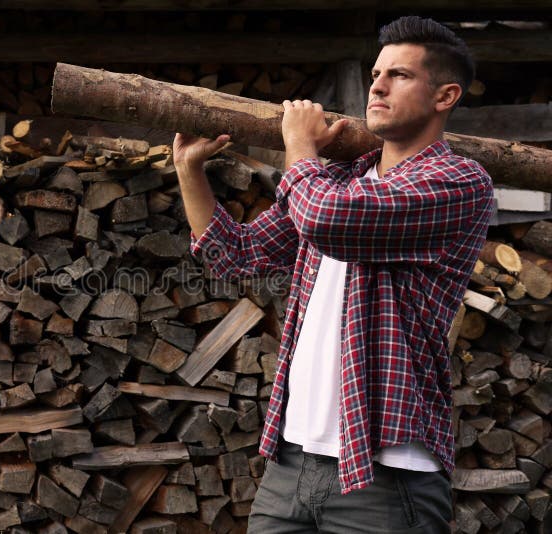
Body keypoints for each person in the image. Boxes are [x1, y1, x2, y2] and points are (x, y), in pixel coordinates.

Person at [173, 16, 494, 533]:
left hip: (387, 478)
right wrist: (189, 171)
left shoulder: (456, 182)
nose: (378, 85)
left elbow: (327, 219)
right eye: (375, 73)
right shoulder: (338, 178)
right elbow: (239, 256)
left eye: (400, 75)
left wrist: (299, 145)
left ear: (445, 95)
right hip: (290, 464)